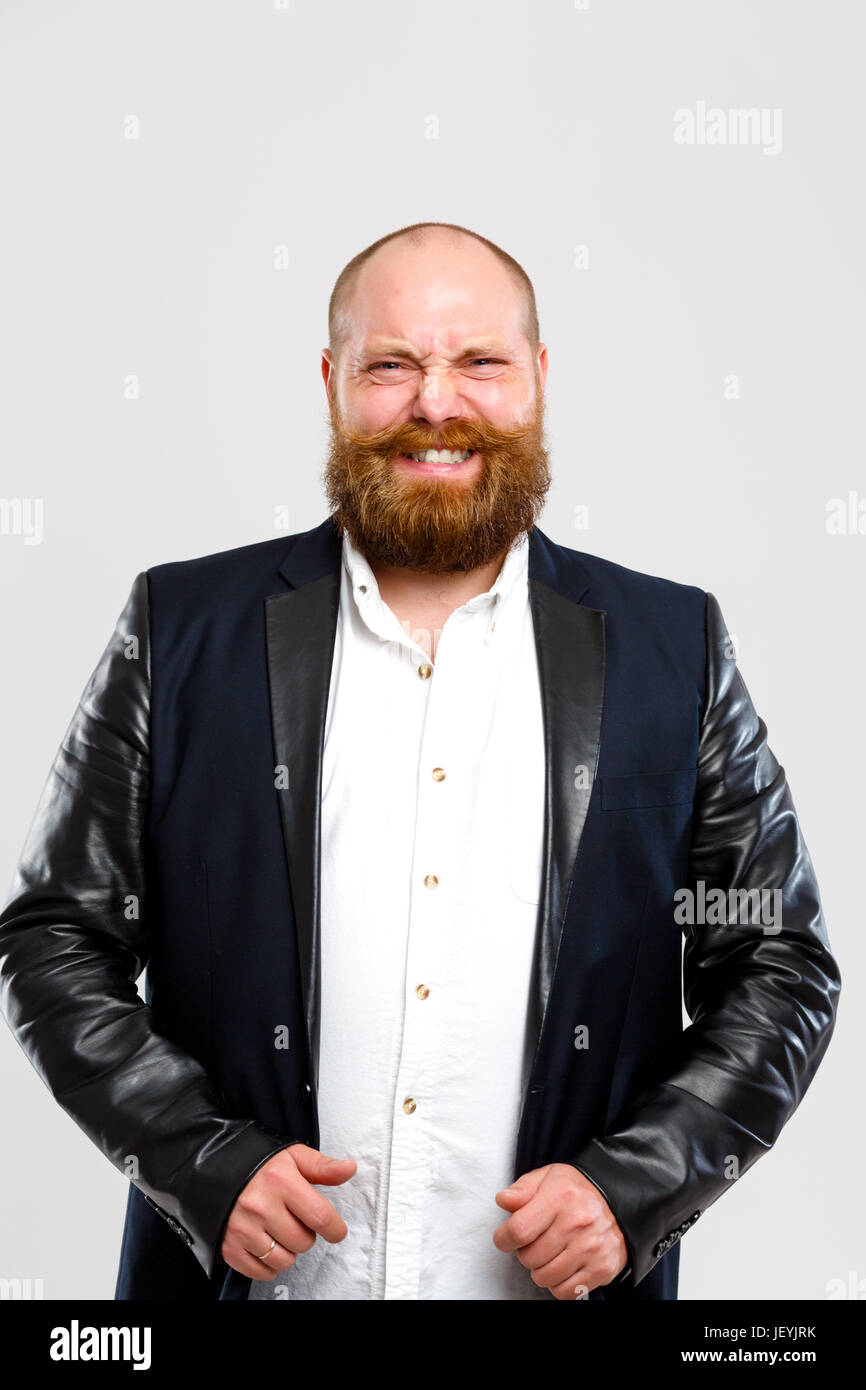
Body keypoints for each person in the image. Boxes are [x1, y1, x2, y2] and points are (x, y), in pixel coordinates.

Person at [0, 222, 841, 1302]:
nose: (434, 403)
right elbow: (57, 934)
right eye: (390, 363)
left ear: (537, 377)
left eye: (478, 361)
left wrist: (636, 1187)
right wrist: (199, 1162)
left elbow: (776, 963)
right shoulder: (181, 627)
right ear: (331, 381)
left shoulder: (669, 646)